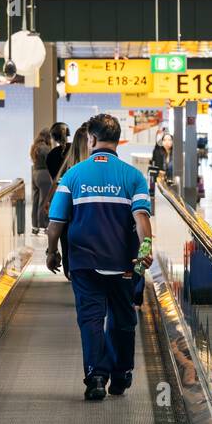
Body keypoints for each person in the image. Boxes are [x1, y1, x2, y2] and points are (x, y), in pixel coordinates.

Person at [46, 114, 153, 401]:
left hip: (84, 262)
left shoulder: (73, 175)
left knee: (91, 318)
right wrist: (145, 252)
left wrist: (51, 251)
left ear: (91, 139)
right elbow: (141, 217)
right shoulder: (133, 176)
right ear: (117, 141)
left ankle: (95, 376)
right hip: (123, 263)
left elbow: (56, 221)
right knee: (122, 317)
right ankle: (121, 375)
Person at [29, 130, 54, 234]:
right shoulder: (45, 148)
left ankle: (35, 226)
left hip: (35, 174)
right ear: (48, 137)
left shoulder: (34, 147)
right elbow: (51, 162)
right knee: (44, 201)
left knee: (35, 201)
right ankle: (44, 225)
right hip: (44, 175)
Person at [149, 131, 173, 209]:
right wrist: (159, 171)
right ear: (162, 142)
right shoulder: (157, 152)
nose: (167, 142)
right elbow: (153, 166)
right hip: (159, 180)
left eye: (169, 140)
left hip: (171, 181)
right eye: (165, 140)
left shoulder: (175, 153)